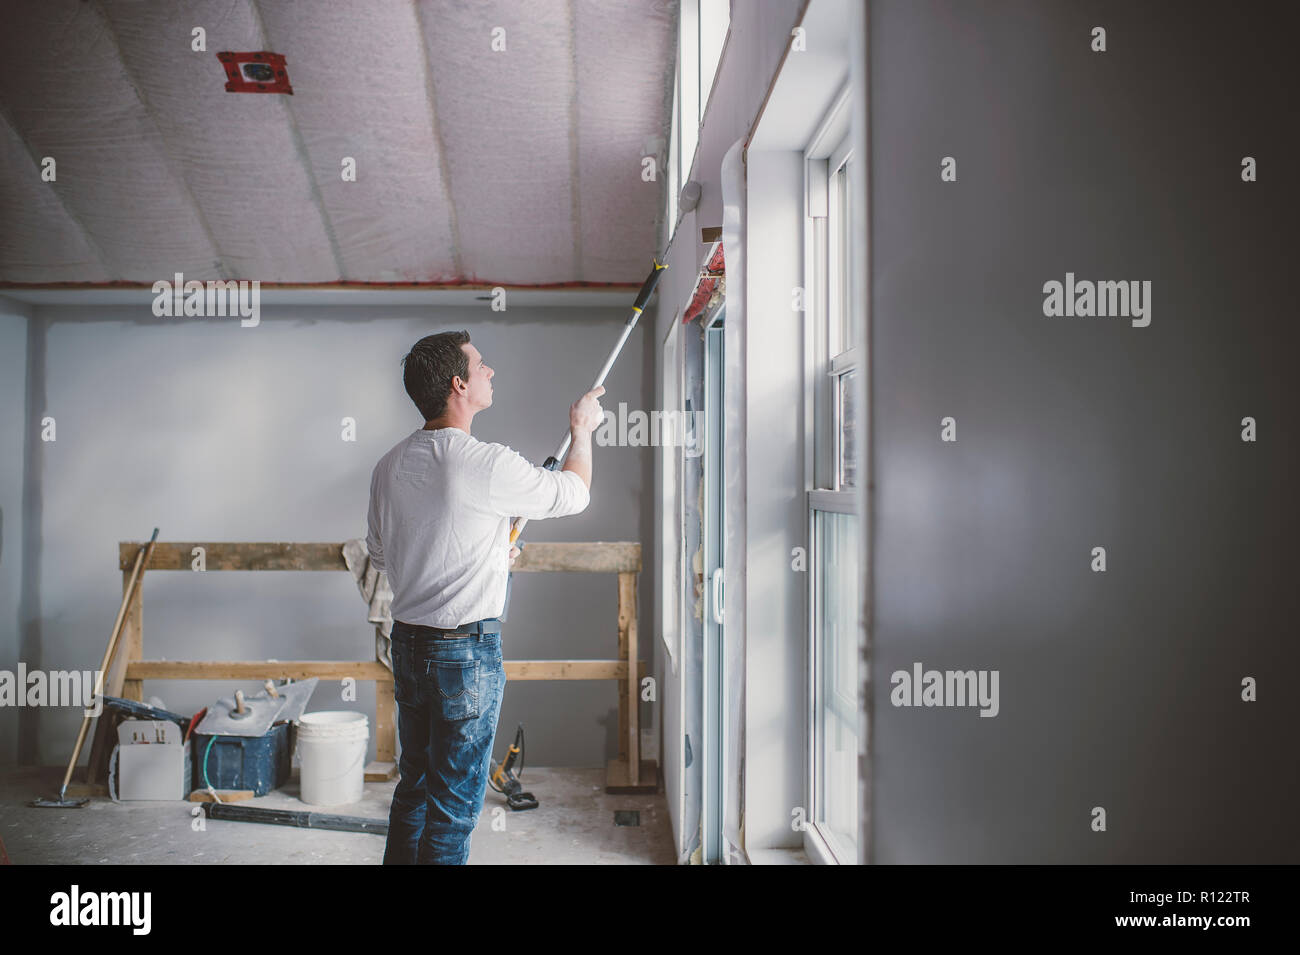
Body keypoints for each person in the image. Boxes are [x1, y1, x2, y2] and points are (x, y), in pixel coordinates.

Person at [366, 329, 604, 864]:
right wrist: (581, 431)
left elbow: (383, 557)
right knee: (451, 814)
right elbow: (574, 494)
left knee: (415, 791)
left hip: (407, 648)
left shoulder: (388, 465)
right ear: (458, 384)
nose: (490, 372)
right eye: (482, 365)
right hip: (465, 656)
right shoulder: (485, 462)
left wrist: (489, 547)